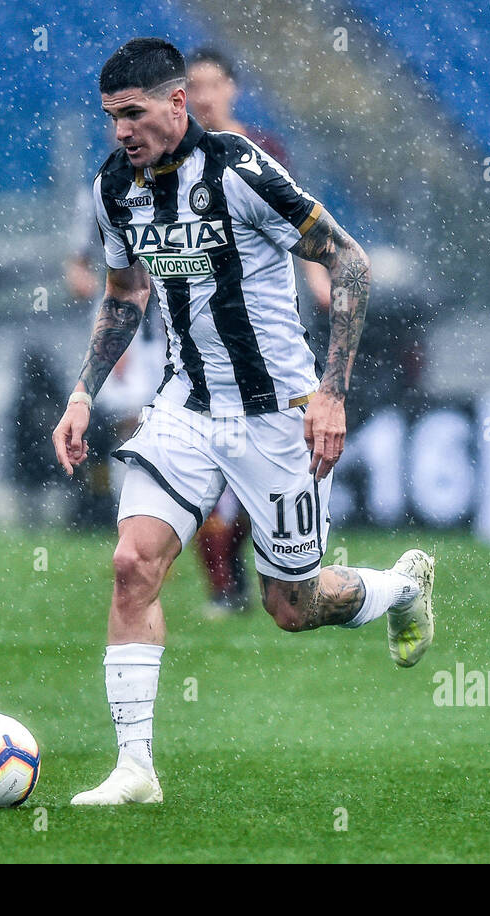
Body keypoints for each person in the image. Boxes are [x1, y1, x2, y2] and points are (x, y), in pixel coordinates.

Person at [51, 38, 436, 806]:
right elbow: (126, 295)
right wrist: (84, 392)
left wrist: (331, 393)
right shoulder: (112, 188)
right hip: (185, 408)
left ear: (176, 104)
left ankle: (399, 588)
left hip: (276, 417)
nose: (122, 131)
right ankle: (135, 770)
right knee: (132, 565)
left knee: (292, 607)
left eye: (134, 114)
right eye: (110, 119)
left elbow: (350, 262)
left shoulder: (239, 168)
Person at [185, 47, 331, 615]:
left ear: (232, 88)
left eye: (211, 84)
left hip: (268, 335)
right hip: (195, 344)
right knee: (197, 460)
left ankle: (257, 560)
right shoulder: (172, 159)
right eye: (192, 86)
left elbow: (302, 224)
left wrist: (319, 275)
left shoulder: (263, 153)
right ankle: (225, 585)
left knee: (265, 463)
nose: (202, 96)